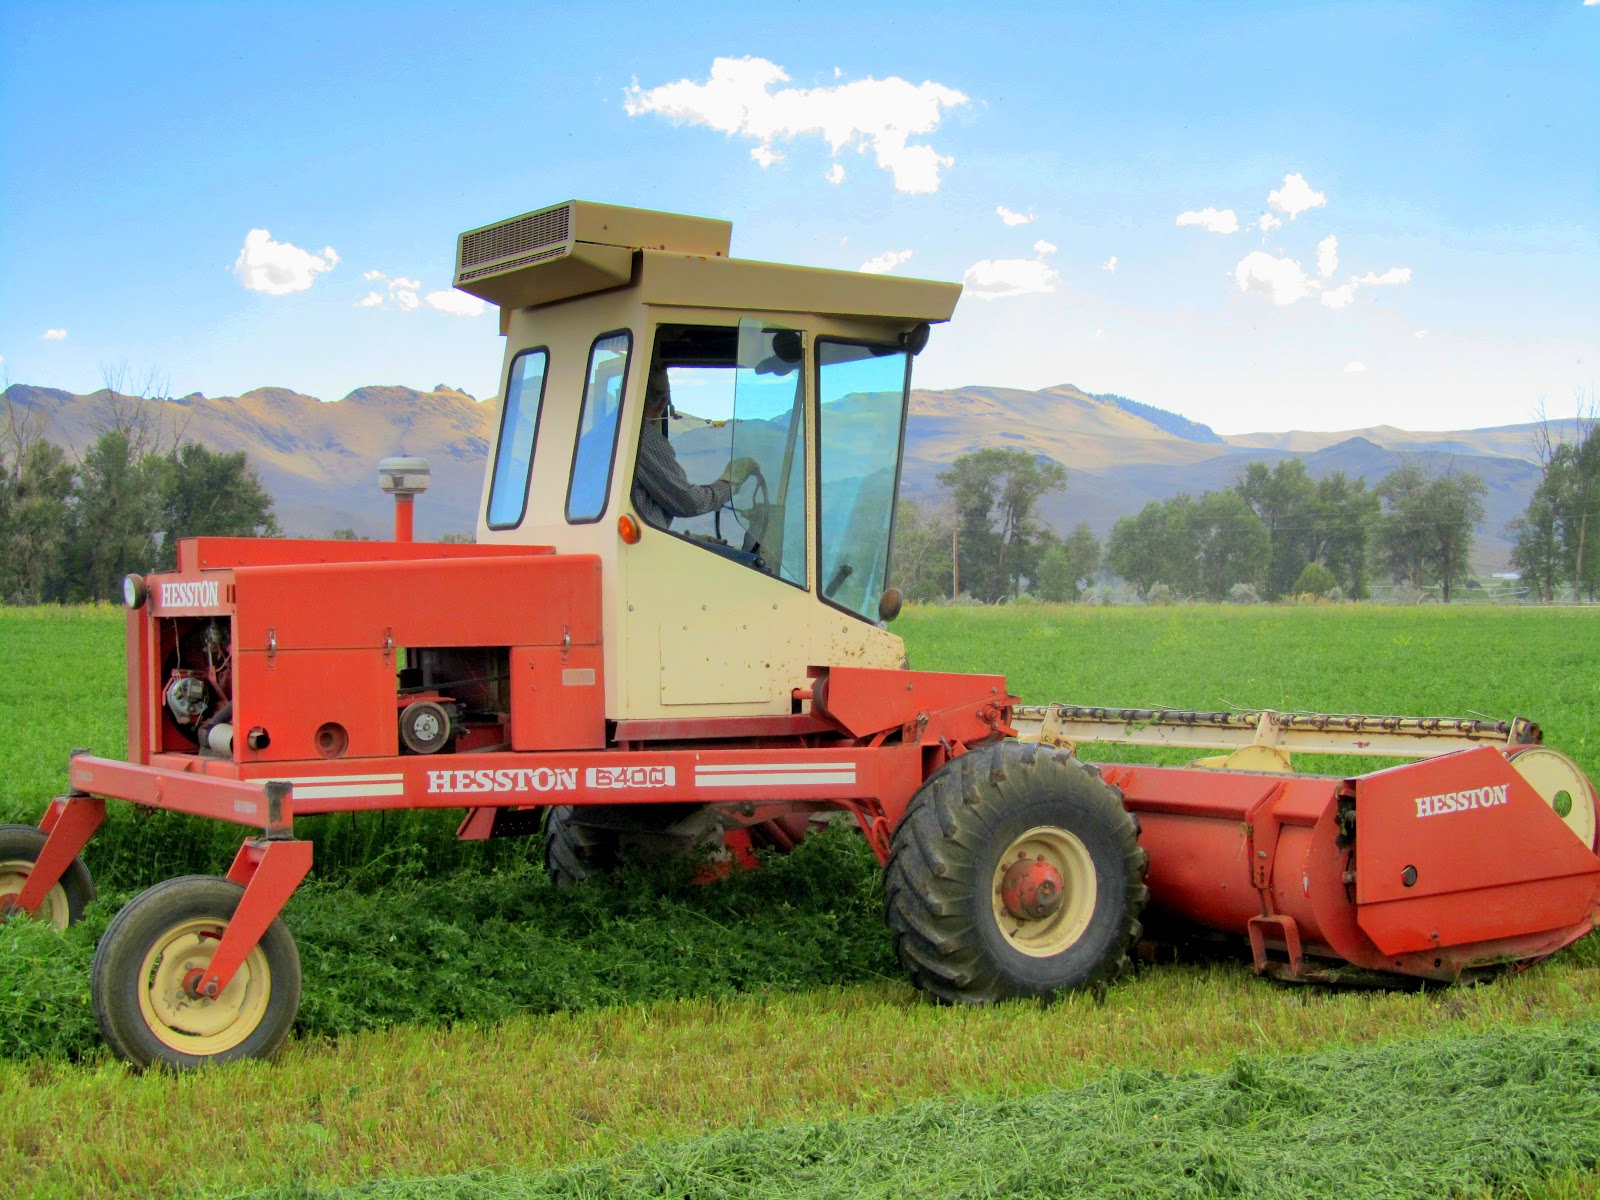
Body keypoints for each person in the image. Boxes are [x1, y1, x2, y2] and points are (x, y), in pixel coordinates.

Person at [631, 361, 758, 529]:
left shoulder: (603, 432)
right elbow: (688, 502)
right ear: (663, 404)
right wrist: (729, 482)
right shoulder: (643, 437)